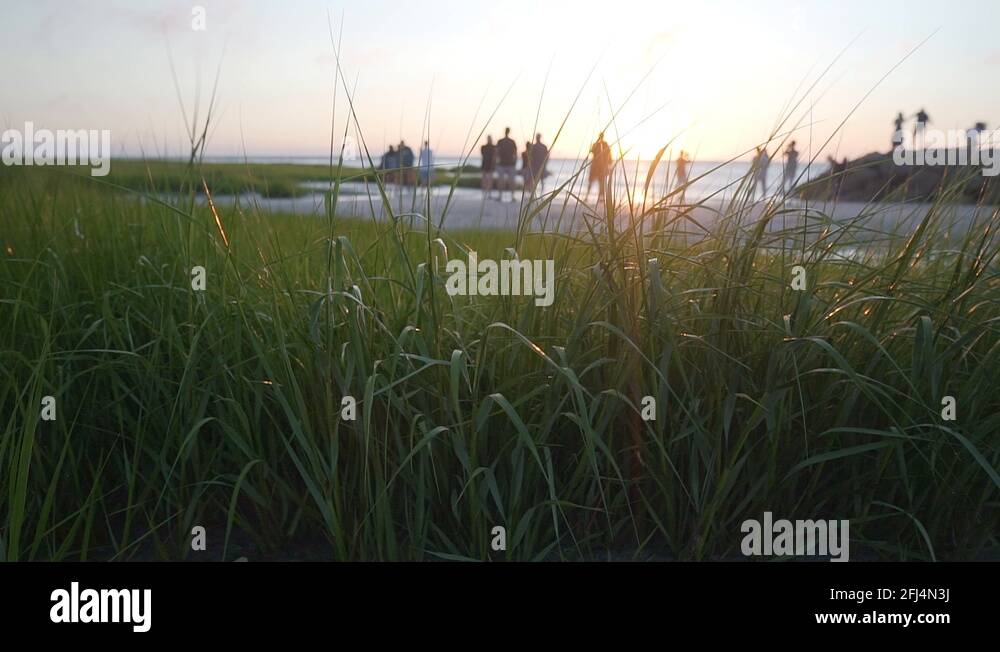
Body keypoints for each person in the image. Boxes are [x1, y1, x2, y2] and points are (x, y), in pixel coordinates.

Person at [588, 132, 612, 202]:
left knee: (600, 182)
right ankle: (590, 196)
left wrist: (609, 163)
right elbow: (592, 151)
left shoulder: (604, 144)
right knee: (594, 181)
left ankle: (600, 197)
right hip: (597, 166)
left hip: (600, 166)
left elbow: (609, 154)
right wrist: (609, 162)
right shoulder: (597, 144)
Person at [496, 127, 518, 201]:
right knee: (502, 181)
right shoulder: (500, 141)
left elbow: (515, 153)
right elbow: (497, 151)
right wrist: (497, 161)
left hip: (510, 164)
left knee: (511, 181)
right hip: (502, 164)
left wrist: (515, 162)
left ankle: (512, 197)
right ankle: (500, 196)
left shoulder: (512, 141)